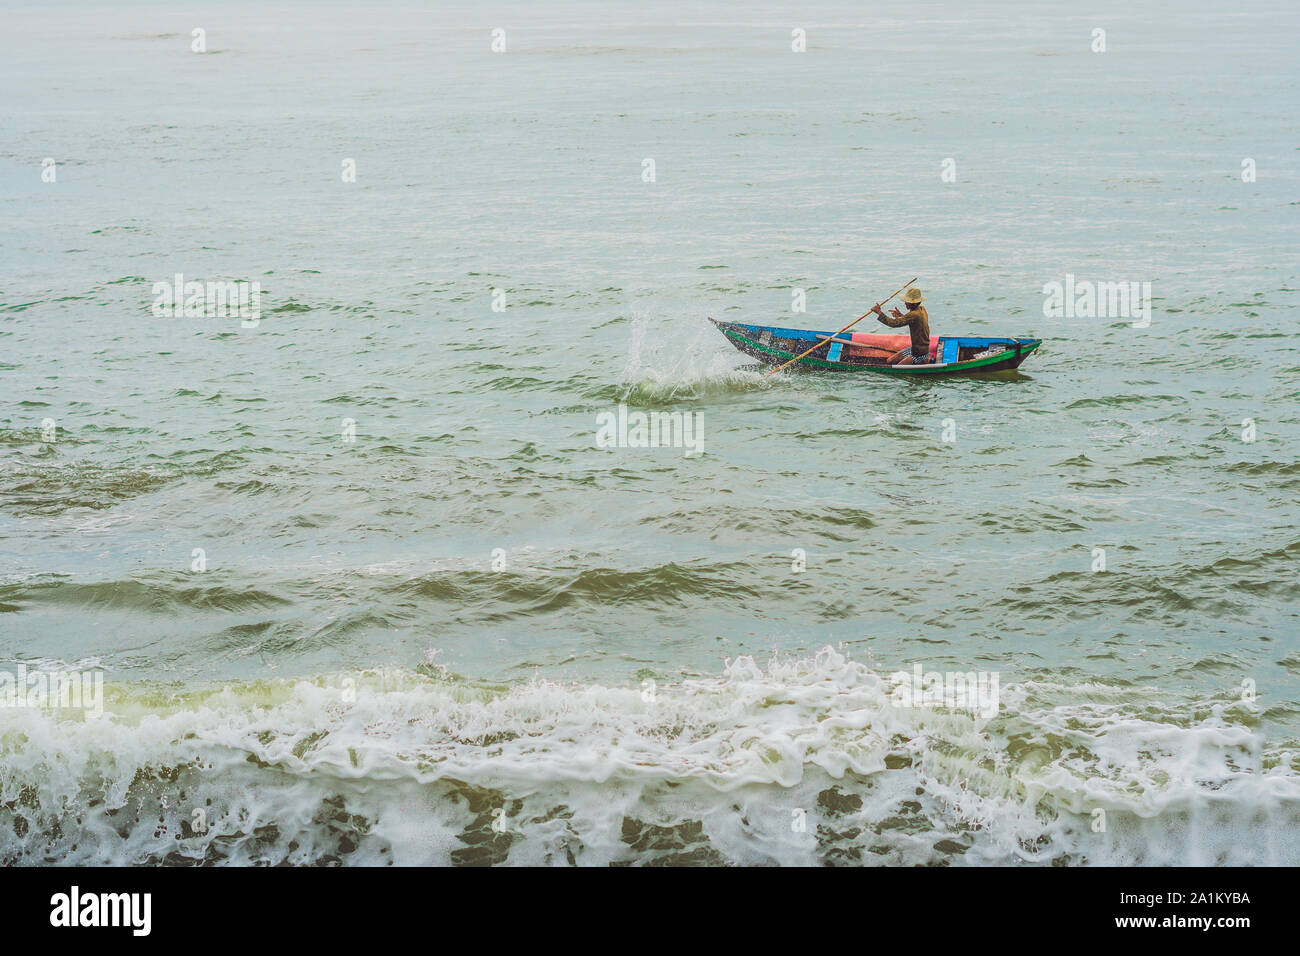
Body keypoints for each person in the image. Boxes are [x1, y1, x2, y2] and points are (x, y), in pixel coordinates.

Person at [871, 287, 931, 365]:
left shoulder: (914, 314)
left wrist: (879, 312)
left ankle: (923, 361)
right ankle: (923, 360)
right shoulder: (922, 309)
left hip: (919, 353)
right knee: (890, 361)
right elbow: (914, 321)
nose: (905, 303)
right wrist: (901, 316)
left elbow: (893, 323)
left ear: (914, 303)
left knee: (897, 368)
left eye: (907, 301)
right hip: (915, 349)